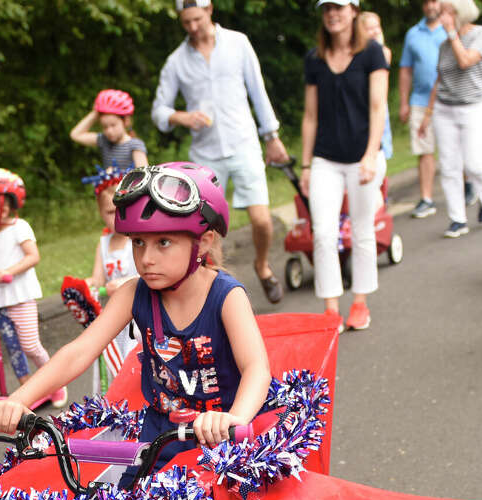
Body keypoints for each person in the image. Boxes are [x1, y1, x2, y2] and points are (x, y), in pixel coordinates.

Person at [0, 162, 320, 500]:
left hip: (224, 446)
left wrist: (233, 418)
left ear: (203, 241)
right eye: (137, 243)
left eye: (164, 242)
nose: (146, 257)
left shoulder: (226, 296)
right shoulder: (136, 292)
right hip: (162, 441)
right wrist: (18, 399)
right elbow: (79, 350)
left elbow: (257, 367)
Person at [151, 0, 290, 303]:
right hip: (205, 155)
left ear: (210, 10)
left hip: (244, 143)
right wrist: (182, 117)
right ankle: (221, 293)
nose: (192, 27)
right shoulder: (176, 61)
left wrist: (272, 136)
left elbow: (258, 90)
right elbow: (158, 111)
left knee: (262, 220)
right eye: (186, 22)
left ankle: (262, 265)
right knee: (208, 230)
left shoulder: (238, 43)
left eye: (197, 19)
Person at [300, 0, 389, 332]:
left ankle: (360, 302)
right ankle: (330, 308)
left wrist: (370, 154)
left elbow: (378, 107)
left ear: (353, 10)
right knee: (323, 233)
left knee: (362, 230)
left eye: (339, 7)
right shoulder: (315, 59)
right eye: (326, 9)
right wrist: (306, 165)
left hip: (362, 156)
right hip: (325, 158)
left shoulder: (372, 53)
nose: (333, 14)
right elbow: (310, 117)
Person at [0, 168, 68, 407]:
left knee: (31, 346)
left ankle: (55, 383)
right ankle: (29, 390)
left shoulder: (19, 227)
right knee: (12, 351)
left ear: (4, 207)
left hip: (20, 298)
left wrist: (8, 272)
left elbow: (32, 256)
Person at [420, 0, 482, 239]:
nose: (439, 17)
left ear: (458, 13)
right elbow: (439, 80)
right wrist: (427, 115)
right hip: (445, 110)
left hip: (475, 107)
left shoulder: (481, 34)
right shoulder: (443, 46)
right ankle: (457, 219)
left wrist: (453, 33)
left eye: (444, 12)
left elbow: (465, 61)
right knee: (450, 166)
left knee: (473, 162)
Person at [84, 166, 142, 390]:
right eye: (109, 212)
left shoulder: (135, 240)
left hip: (137, 313)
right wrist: (90, 284)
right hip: (115, 316)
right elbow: (98, 278)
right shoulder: (104, 244)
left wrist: (124, 284)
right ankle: (114, 397)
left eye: (121, 210)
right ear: (101, 213)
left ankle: (135, 393)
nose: (116, 217)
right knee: (110, 355)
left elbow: (144, 275)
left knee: (133, 356)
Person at [399, 0, 448, 217]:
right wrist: (403, 101)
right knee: (424, 150)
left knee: (453, 148)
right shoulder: (413, 34)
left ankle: (467, 188)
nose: (430, 6)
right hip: (419, 99)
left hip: (449, 98)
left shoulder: (450, 28)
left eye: (434, 1)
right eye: (427, 2)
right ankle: (426, 198)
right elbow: (406, 70)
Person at [69, 90, 150, 170]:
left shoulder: (135, 145)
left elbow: (144, 175)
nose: (109, 131)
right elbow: (75, 135)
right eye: (105, 126)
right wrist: (95, 113)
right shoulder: (104, 140)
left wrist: (116, 177)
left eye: (113, 125)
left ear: (126, 121)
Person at [360, 11, 395, 166]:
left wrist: (378, 43)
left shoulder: (384, 52)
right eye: (369, 28)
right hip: (362, 108)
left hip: (379, 107)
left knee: (382, 150)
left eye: (377, 27)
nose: (375, 31)